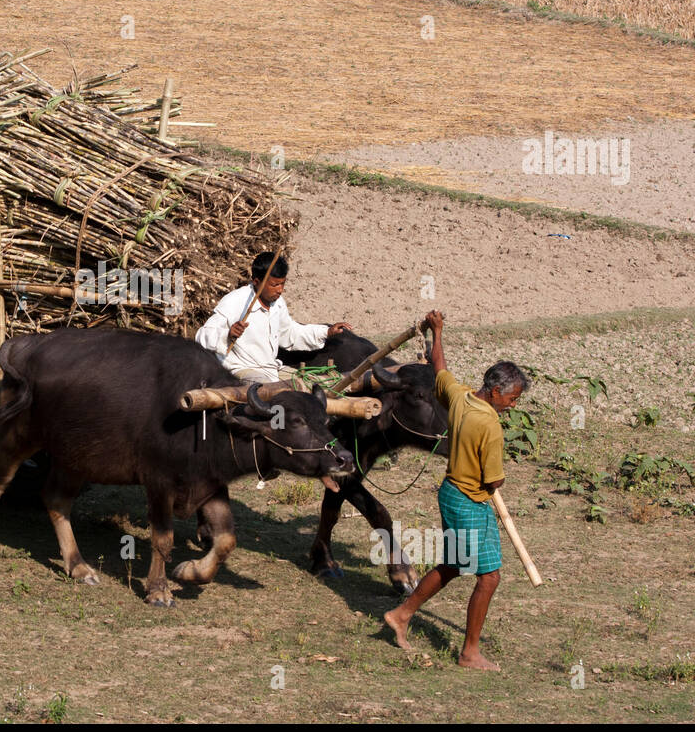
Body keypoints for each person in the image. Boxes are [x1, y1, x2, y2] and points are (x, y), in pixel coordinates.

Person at [383, 310, 529, 670]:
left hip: (450, 491)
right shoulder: (490, 426)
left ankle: (401, 615)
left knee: (454, 564)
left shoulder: (461, 396)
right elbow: (494, 481)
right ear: (495, 392)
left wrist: (437, 331)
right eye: (511, 400)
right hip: (469, 500)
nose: (512, 407)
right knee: (489, 576)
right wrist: (496, 477)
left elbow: (439, 367)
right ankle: (469, 653)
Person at [195, 252, 351, 384]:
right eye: (275, 285)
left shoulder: (277, 304)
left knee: (312, 386)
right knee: (273, 394)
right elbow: (202, 335)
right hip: (242, 370)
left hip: (271, 370)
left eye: (282, 284)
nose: (280, 290)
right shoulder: (235, 301)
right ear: (256, 282)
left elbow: (290, 333)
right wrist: (227, 334)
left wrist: (326, 332)